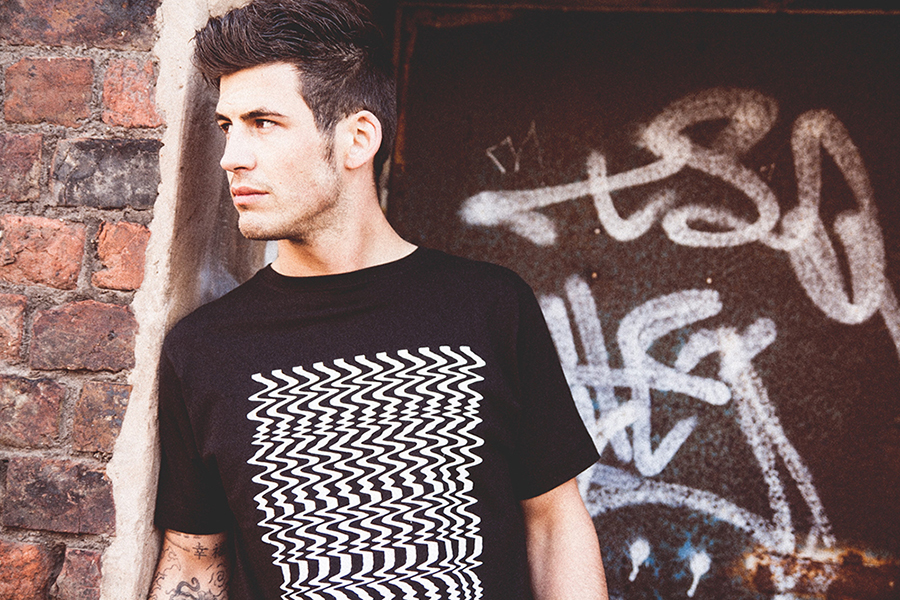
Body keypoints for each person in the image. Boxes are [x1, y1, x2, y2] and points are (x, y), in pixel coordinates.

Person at [149, 1, 609, 598]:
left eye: (263, 123)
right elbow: (193, 560)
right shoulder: (202, 350)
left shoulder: (489, 308)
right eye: (226, 126)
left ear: (358, 139)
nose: (231, 156)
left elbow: (553, 523)